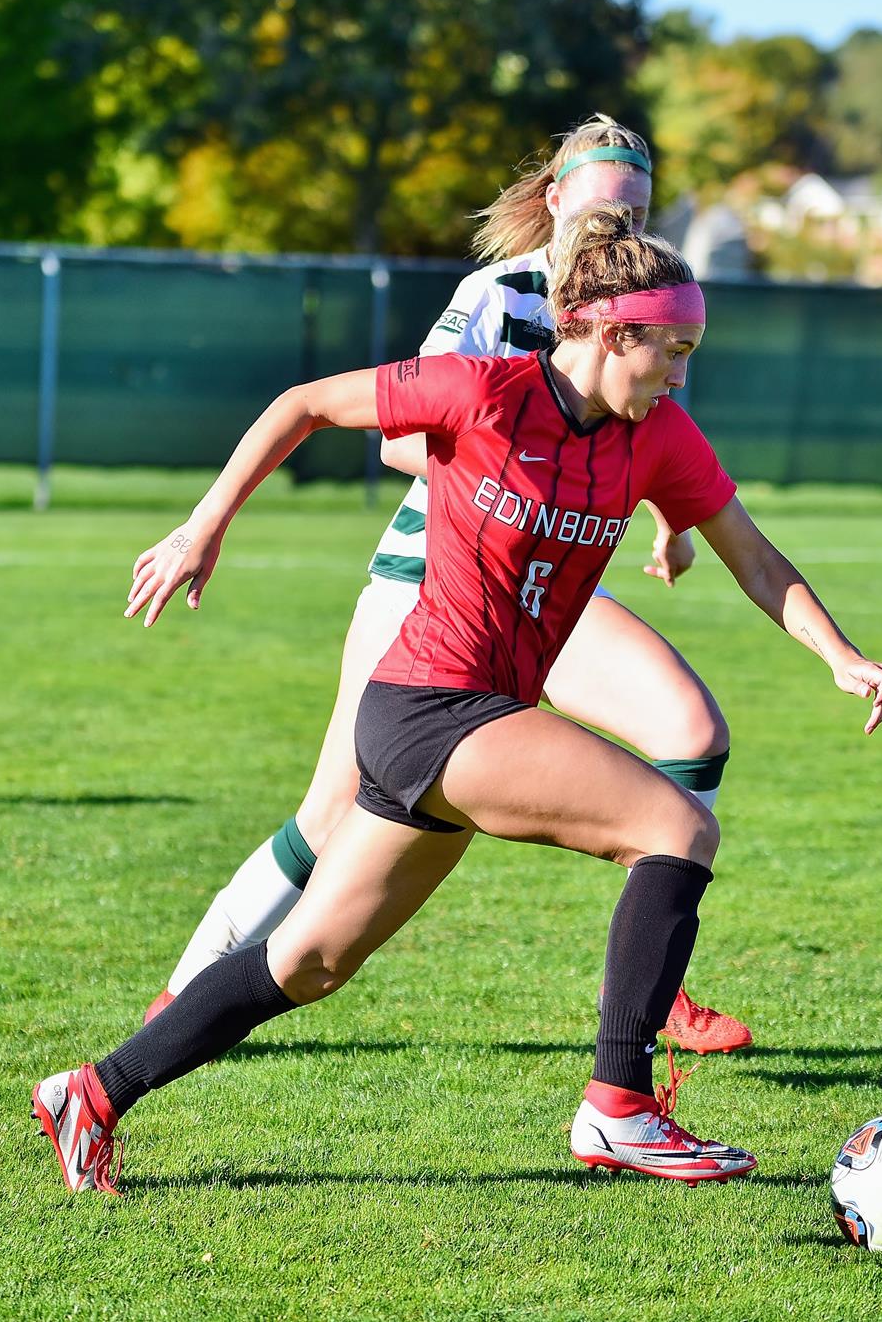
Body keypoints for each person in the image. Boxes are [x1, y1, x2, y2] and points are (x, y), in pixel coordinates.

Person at [33, 205, 882, 1195]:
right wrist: (204, 525)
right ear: (605, 331)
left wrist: (838, 654)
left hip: (461, 719)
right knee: (674, 827)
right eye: (670, 348)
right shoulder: (478, 391)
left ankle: (93, 1093)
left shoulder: (657, 437)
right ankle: (617, 1107)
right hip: (426, 707)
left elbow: (752, 558)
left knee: (308, 962)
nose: (679, 372)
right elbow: (304, 404)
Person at [145, 115, 750, 1054]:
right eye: (602, 210)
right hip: (439, 576)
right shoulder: (498, 293)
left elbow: (649, 438)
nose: (616, 231)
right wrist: (515, 484)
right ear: (554, 202)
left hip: (552, 580)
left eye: (634, 212)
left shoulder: (644, 299)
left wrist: (669, 526)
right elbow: (396, 435)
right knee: (332, 810)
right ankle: (182, 996)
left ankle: (652, 991)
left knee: (691, 731)